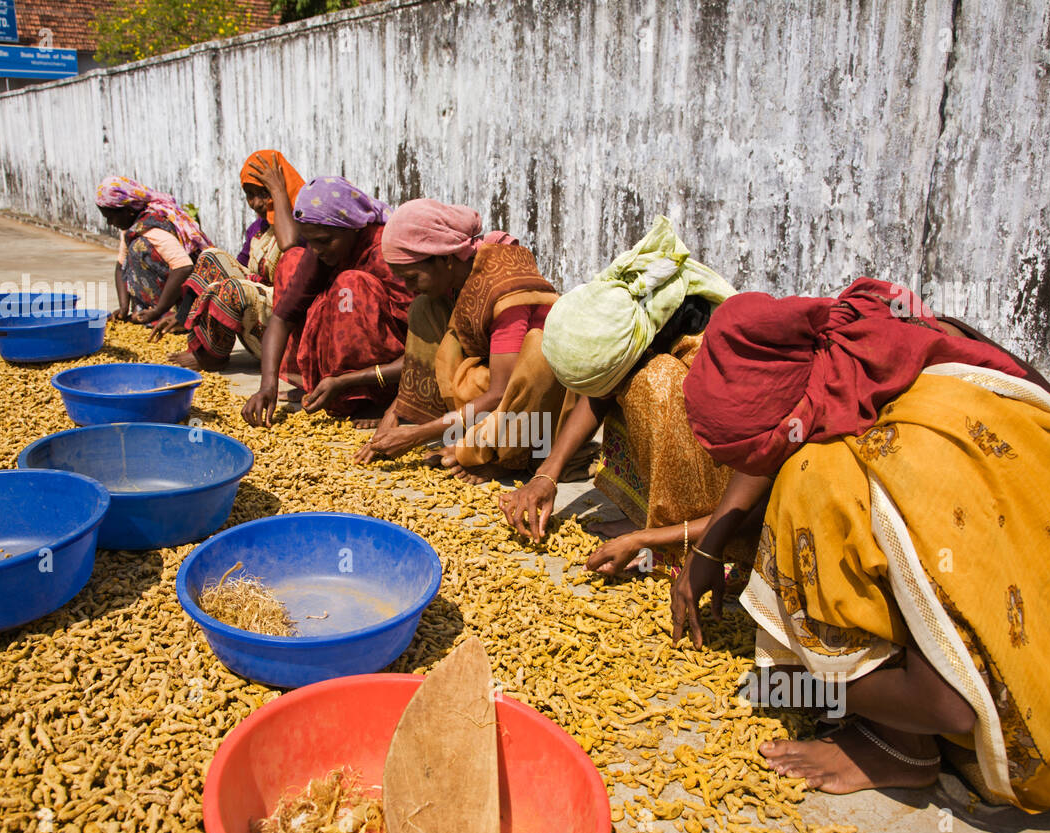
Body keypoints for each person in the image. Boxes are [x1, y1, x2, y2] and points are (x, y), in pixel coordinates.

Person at [672, 277, 1050, 812]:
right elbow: (782, 432)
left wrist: (802, 677)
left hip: (1043, 734)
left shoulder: (840, 468)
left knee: (807, 496)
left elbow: (951, 710)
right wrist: (707, 547)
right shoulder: (868, 344)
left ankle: (902, 748)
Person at [500, 216, 755, 572]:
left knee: (653, 384)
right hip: (666, 399)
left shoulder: (719, 359)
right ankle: (649, 515)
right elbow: (601, 395)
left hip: (732, 515)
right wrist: (547, 474)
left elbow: (758, 488)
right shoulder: (634, 312)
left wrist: (653, 542)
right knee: (636, 384)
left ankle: (674, 538)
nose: (606, 395)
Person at [353, 198, 572, 484]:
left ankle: (511, 458)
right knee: (424, 307)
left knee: (537, 356)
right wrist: (393, 415)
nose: (408, 287)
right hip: (496, 383)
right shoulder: (463, 275)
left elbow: (501, 392)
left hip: (540, 403)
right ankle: (467, 435)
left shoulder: (504, 289)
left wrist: (417, 435)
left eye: (412, 277)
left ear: (445, 259)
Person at [240, 176, 411, 428]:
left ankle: (368, 398)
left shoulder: (385, 252)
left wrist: (354, 383)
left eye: (324, 241)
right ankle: (318, 383)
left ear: (352, 227)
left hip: (394, 369)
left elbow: (422, 349)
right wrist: (268, 386)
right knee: (291, 261)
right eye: (312, 241)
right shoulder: (322, 250)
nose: (317, 250)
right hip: (340, 363)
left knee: (349, 286)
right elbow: (281, 318)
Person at [157, 150, 305, 371]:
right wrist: (182, 314)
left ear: (281, 188)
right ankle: (208, 348)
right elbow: (232, 268)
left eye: (263, 193)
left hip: (290, 327)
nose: (255, 203)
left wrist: (277, 189)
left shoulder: (304, 222)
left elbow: (289, 244)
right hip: (263, 312)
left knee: (232, 290)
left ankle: (211, 359)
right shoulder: (258, 229)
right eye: (249, 194)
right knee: (211, 257)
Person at [95, 176, 210, 327]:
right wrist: (123, 308)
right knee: (134, 249)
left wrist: (158, 310)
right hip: (160, 303)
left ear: (128, 211)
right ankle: (148, 312)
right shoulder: (131, 228)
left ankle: (173, 316)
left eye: (110, 218)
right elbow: (120, 266)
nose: (110, 223)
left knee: (139, 247)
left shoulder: (153, 228)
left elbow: (184, 267)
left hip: (187, 299)